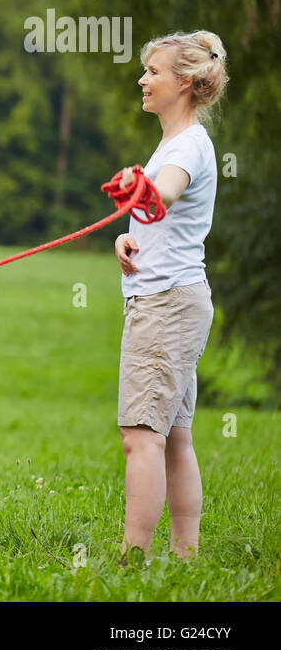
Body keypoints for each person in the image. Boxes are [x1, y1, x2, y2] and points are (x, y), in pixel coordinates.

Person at [111, 30, 228, 561]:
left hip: (166, 306)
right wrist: (126, 235)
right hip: (175, 299)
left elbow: (166, 193)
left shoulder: (186, 148)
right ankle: (185, 556)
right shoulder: (172, 143)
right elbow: (157, 217)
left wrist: (143, 192)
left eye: (153, 71)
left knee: (142, 436)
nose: (143, 79)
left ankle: (133, 560)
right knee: (174, 435)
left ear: (184, 82)